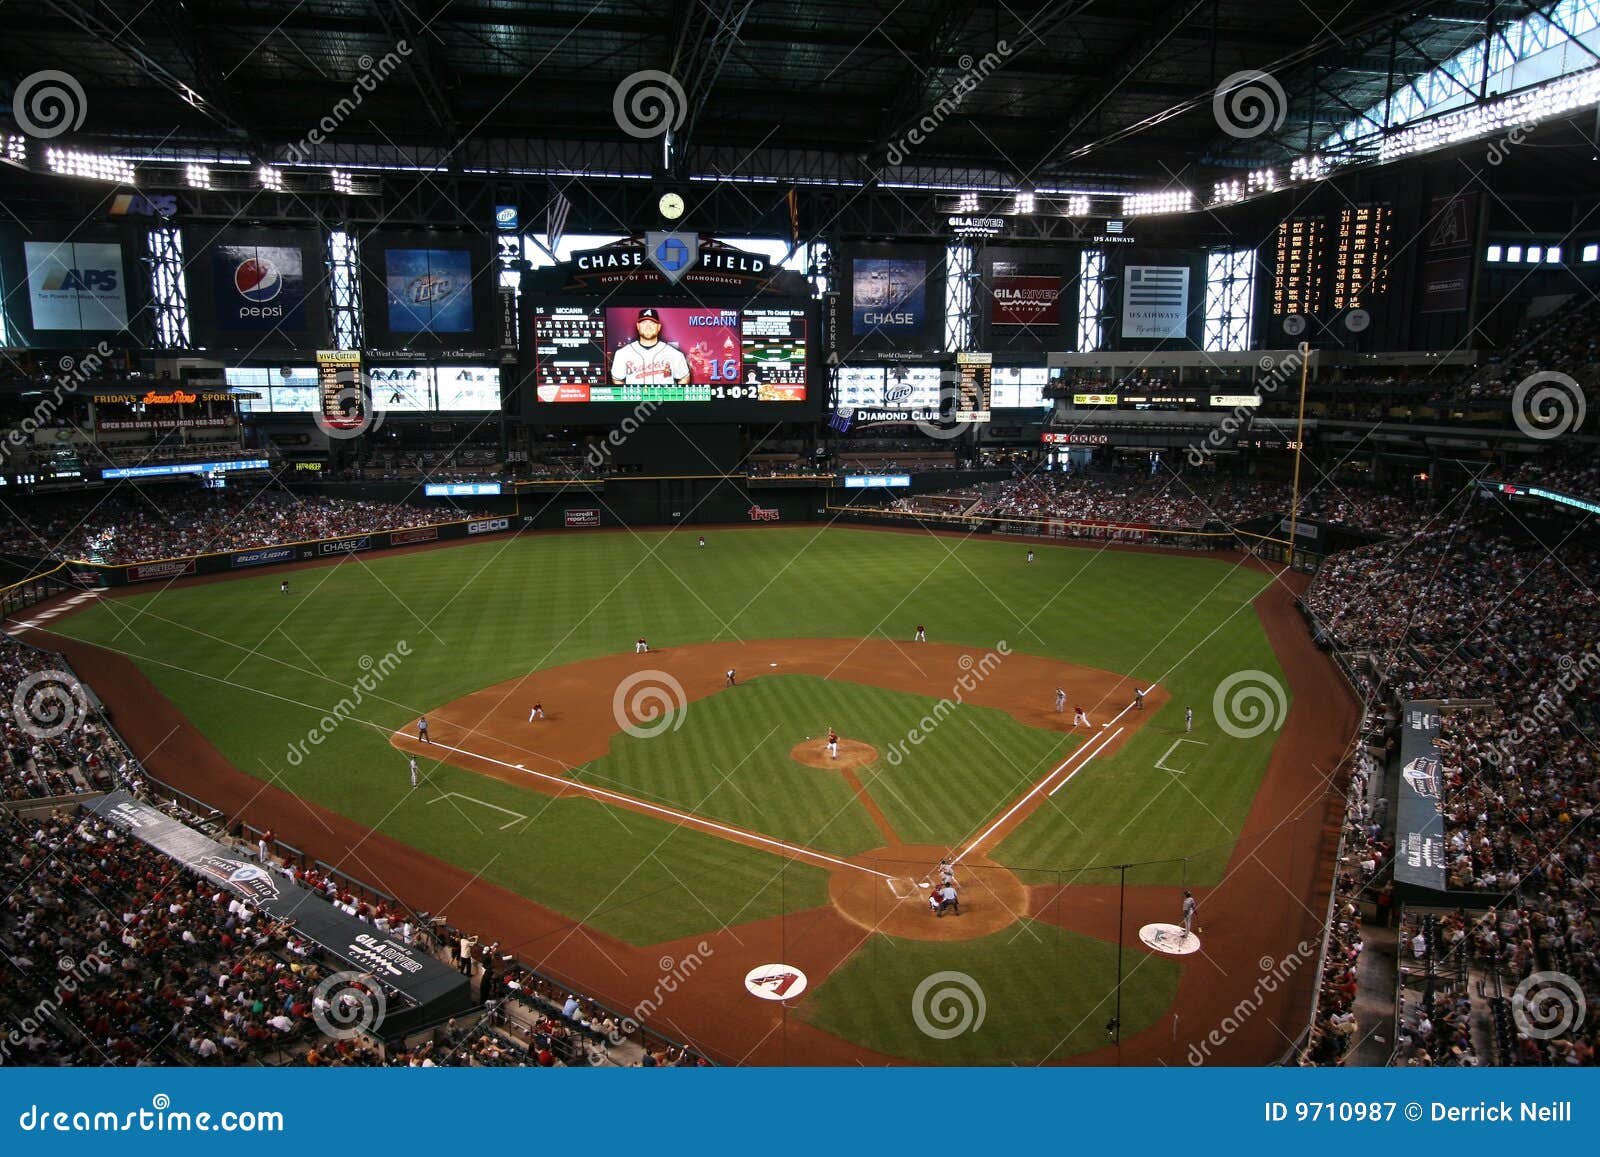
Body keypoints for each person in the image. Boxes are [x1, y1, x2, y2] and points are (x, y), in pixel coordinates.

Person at [610, 308, 690, 386]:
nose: (648, 326)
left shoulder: (674, 354)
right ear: (638, 326)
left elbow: (684, 378)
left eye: (652, 323)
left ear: (659, 327)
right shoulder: (622, 353)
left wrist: (670, 397)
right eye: (644, 322)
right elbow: (617, 379)